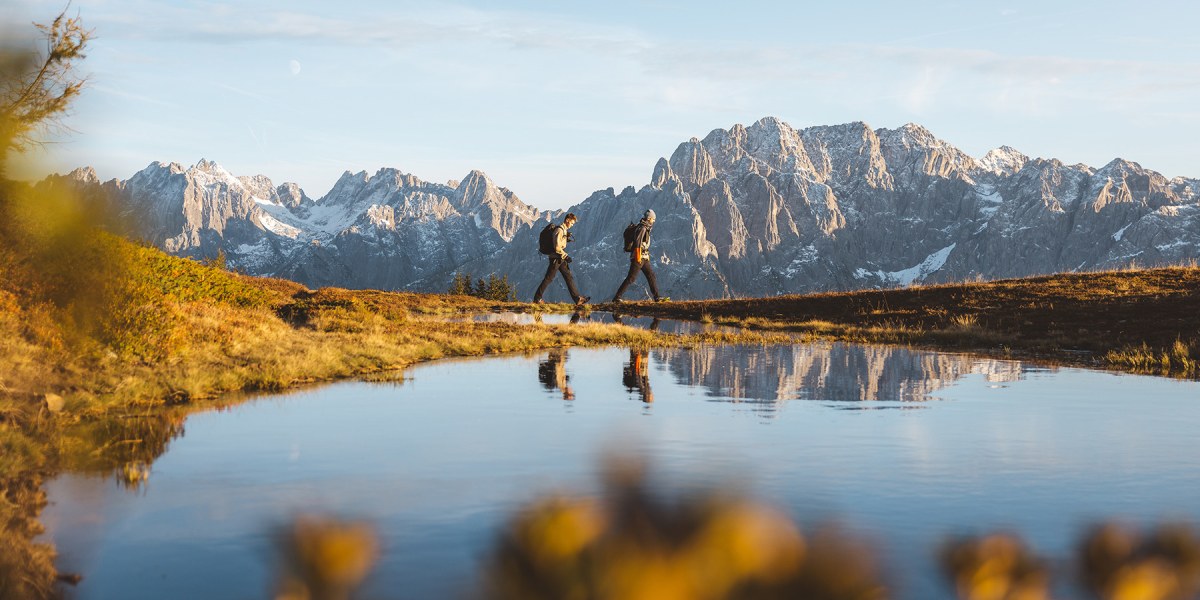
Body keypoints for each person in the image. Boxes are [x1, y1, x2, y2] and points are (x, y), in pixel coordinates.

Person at [532, 213, 590, 305]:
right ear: (567, 220)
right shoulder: (559, 230)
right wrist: (566, 256)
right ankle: (537, 299)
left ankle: (577, 299)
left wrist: (566, 239)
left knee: (568, 277)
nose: (572, 225)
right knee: (548, 278)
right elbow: (557, 247)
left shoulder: (563, 231)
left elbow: (559, 244)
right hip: (556, 258)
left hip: (560, 259)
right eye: (571, 223)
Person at [611, 209, 663, 303]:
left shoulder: (645, 227)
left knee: (651, 275)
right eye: (653, 219)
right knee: (631, 278)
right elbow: (638, 242)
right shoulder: (642, 228)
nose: (654, 221)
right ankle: (617, 298)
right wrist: (638, 257)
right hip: (638, 257)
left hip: (644, 257)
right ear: (650, 218)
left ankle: (657, 297)